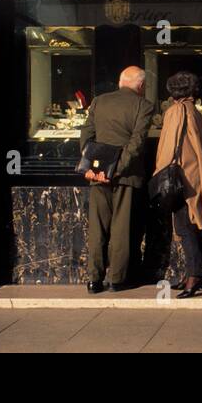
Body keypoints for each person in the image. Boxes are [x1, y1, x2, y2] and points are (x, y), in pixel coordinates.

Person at [80, 65, 154, 294]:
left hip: (97, 175)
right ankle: (117, 279)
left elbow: (86, 135)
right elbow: (136, 143)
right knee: (122, 229)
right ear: (141, 85)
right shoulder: (144, 106)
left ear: (120, 81)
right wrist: (116, 169)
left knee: (97, 229)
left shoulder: (99, 101)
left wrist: (91, 167)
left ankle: (94, 280)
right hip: (126, 177)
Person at [154, 70, 202, 299]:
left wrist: (159, 174)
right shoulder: (193, 110)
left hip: (181, 178)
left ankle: (195, 276)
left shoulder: (176, 111)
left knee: (185, 228)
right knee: (192, 225)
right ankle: (191, 274)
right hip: (194, 176)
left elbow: (169, 147)